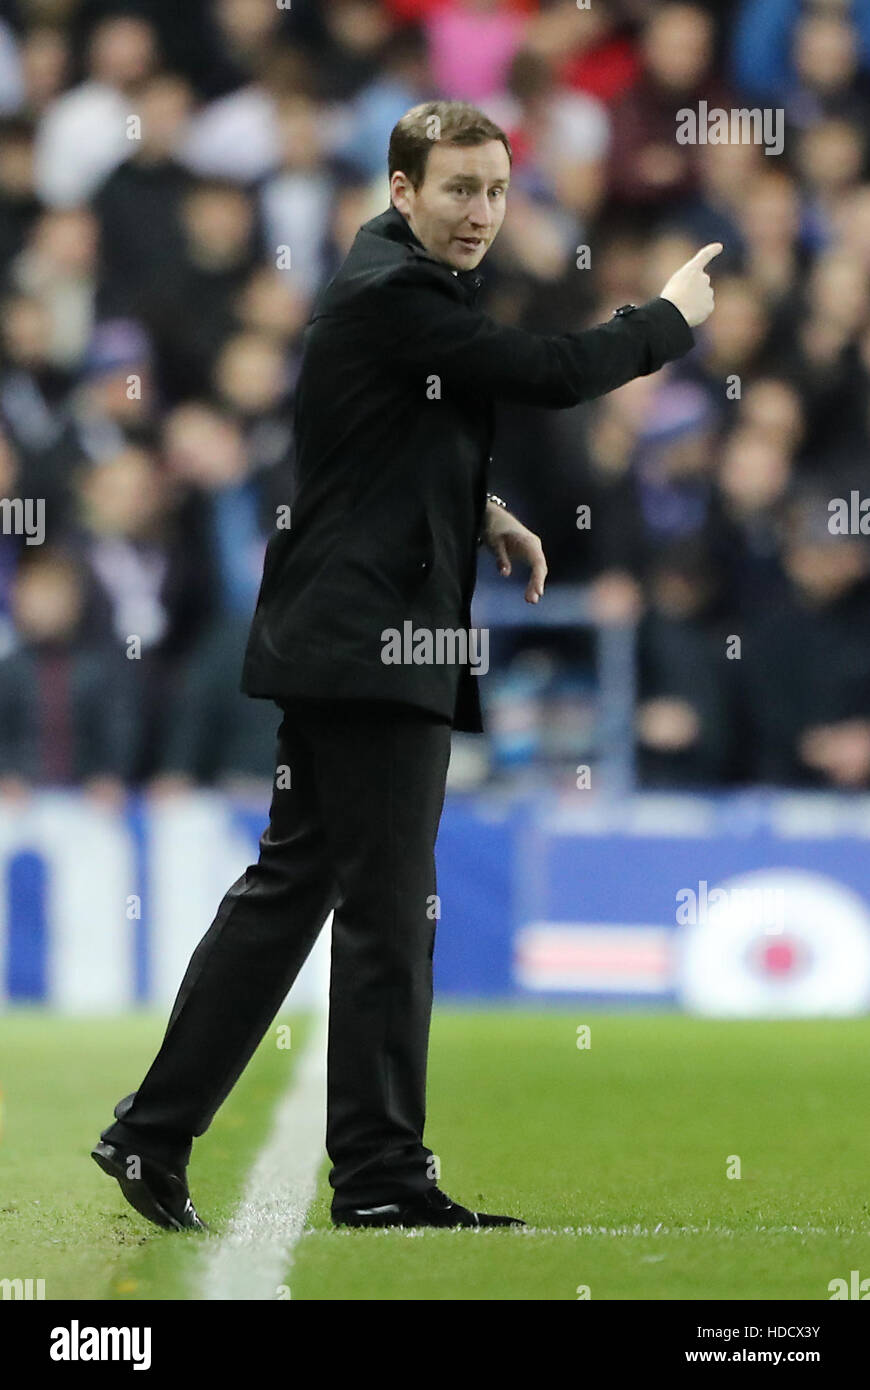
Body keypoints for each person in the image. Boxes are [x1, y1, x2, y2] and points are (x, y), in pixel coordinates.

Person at [91, 99, 718, 1232]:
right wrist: (666, 321)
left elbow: (365, 444)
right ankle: (378, 1178)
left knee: (292, 894)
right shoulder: (398, 293)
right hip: (374, 643)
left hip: (348, 634)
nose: (480, 212)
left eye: (494, 190)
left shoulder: (385, 286)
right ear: (402, 189)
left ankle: (152, 1131)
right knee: (387, 909)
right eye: (458, 189)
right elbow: (553, 368)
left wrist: (478, 507)